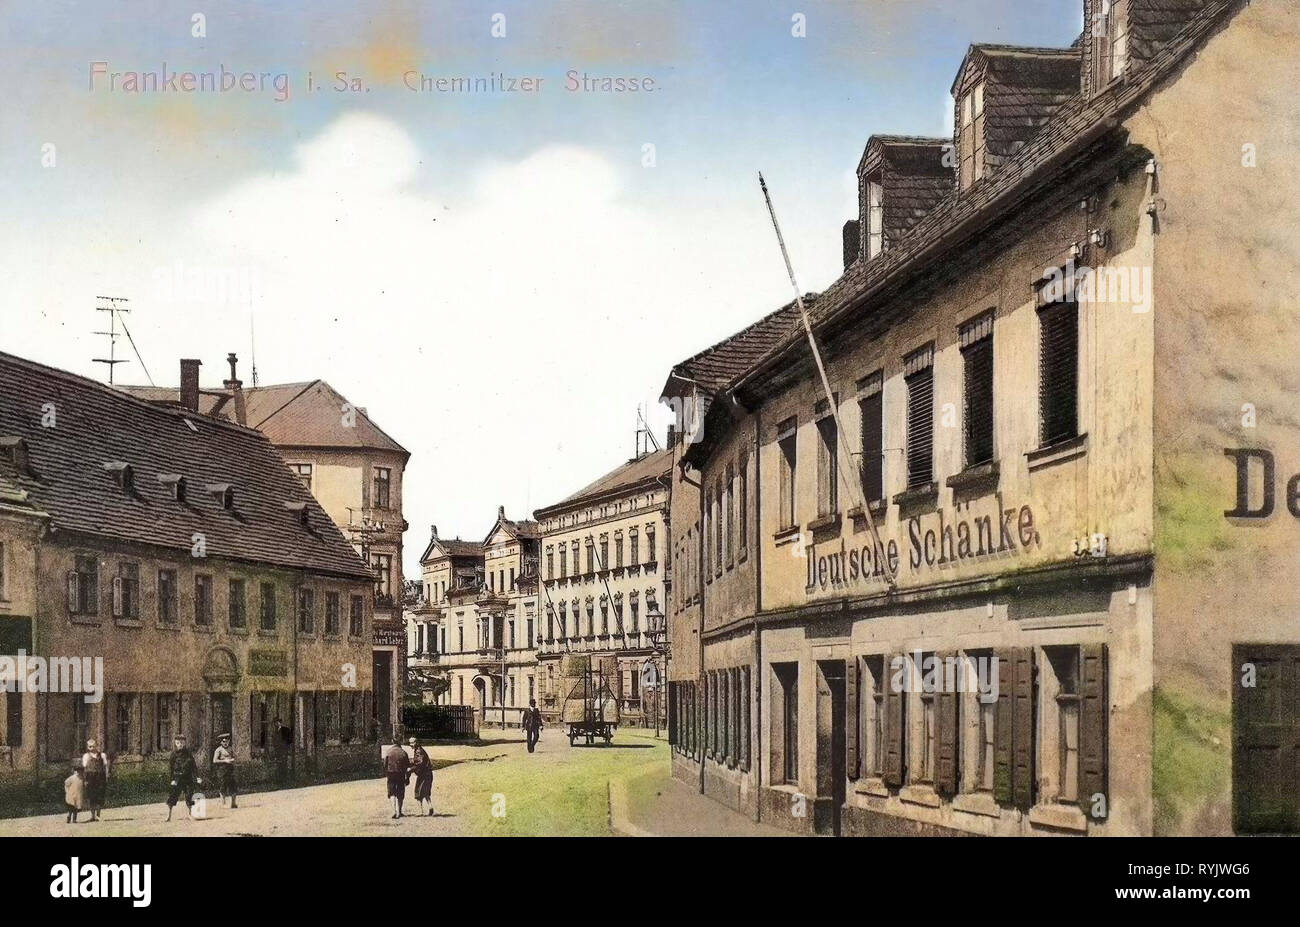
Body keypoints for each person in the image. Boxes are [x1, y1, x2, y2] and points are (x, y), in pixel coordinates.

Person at [165, 734, 202, 821]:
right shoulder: (173, 754)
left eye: (182, 743)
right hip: (177, 778)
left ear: (184, 743)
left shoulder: (188, 753)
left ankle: (190, 814)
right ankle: (168, 816)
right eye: (178, 743)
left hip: (188, 778)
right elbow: (170, 768)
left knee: (189, 795)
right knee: (173, 796)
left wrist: (197, 777)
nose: (180, 744)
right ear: (175, 743)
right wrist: (172, 780)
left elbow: (194, 766)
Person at [80, 739, 109, 821]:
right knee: (91, 797)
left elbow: (105, 767)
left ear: (96, 746)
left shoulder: (102, 755)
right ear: (87, 747)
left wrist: (106, 777)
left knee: (100, 796)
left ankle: (98, 815)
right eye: (90, 746)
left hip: (100, 777)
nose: (91, 748)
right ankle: (92, 816)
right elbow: (85, 768)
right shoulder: (86, 756)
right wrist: (85, 780)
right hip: (90, 778)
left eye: (93, 746)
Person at [384, 739, 411, 819]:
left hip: (391, 773)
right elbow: (407, 765)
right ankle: (399, 811)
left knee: (391, 792)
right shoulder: (403, 752)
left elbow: (385, 764)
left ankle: (394, 811)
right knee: (400, 792)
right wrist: (407, 777)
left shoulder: (388, 751)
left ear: (392, 742)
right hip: (400, 774)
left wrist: (387, 771)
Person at [212, 733, 237, 809]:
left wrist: (233, 760)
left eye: (227, 741)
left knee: (233, 786)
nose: (225, 743)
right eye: (223, 741)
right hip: (222, 770)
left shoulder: (230, 748)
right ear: (221, 742)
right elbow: (215, 760)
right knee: (223, 786)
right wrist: (225, 761)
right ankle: (223, 804)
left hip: (230, 769)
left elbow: (234, 757)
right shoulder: (218, 750)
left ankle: (233, 803)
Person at [409, 736, 433, 816]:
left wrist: (410, 769)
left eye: (412, 743)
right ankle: (430, 807)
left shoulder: (418, 751)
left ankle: (420, 811)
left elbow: (420, 763)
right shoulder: (419, 750)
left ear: (417, 742)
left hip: (423, 774)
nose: (411, 744)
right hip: (428, 773)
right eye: (410, 743)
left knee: (418, 792)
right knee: (426, 791)